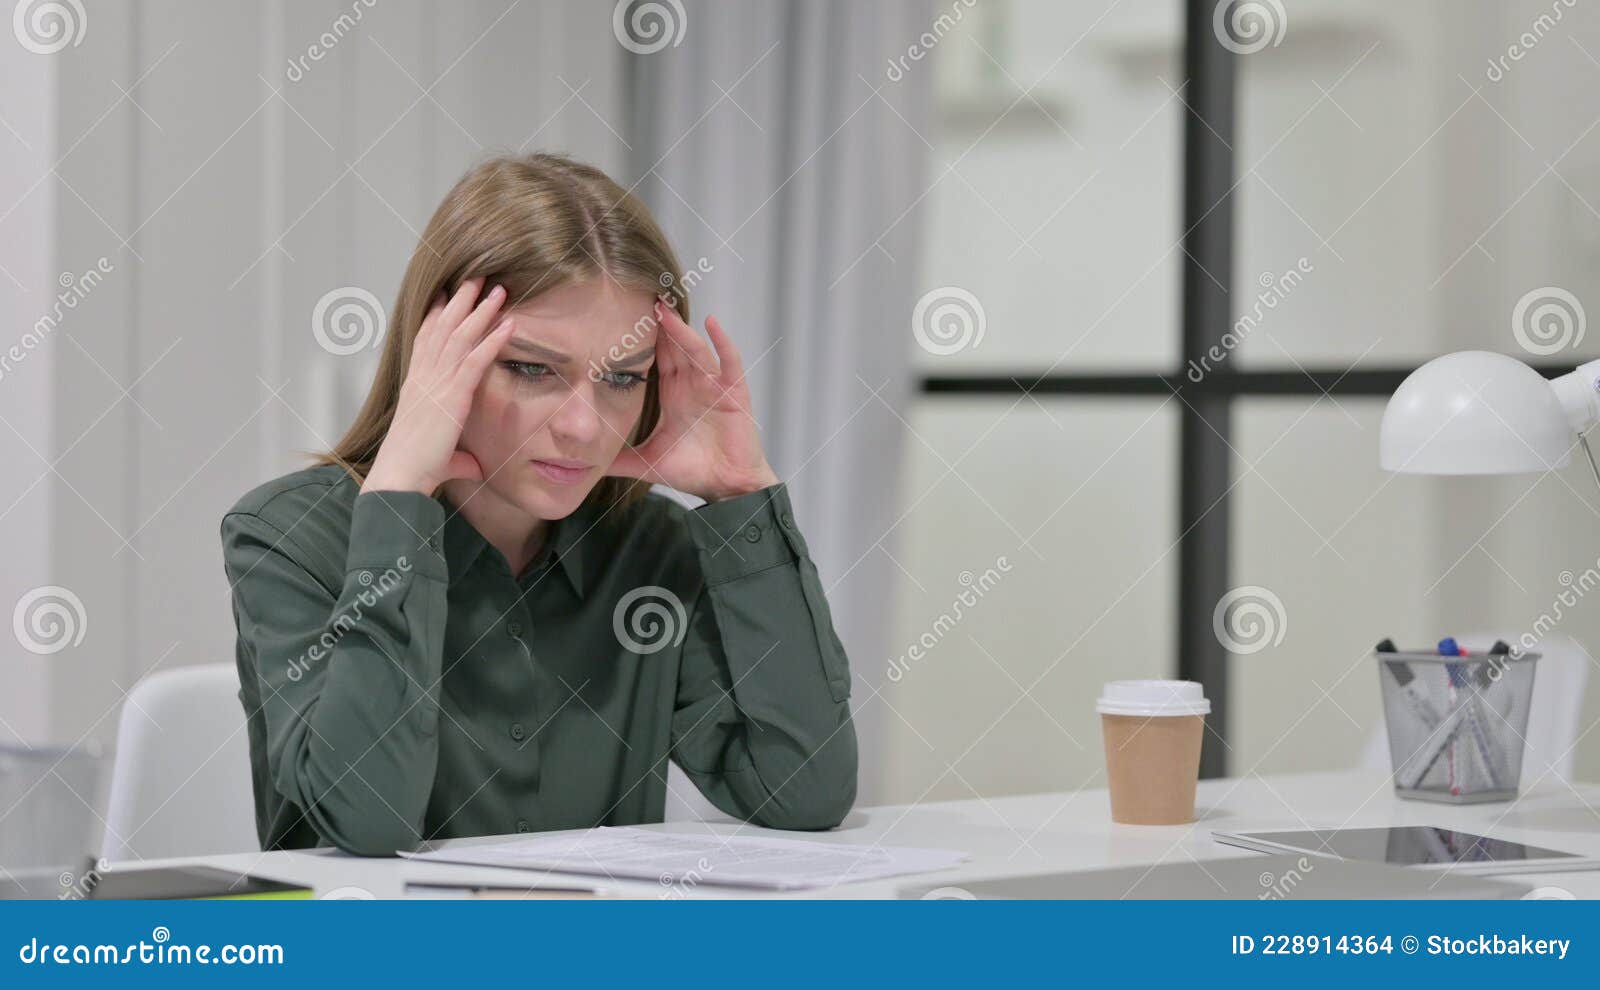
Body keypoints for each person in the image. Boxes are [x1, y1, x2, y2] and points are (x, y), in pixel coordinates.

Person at [219, 153, 857, 856]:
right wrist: (400, 491)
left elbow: (804, 792)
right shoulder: (289, 537)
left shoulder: (652, 548)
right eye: (531, 369)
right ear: (438, 353)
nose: (583, 425)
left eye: (622, 377)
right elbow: (367, 822)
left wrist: (743, 496)